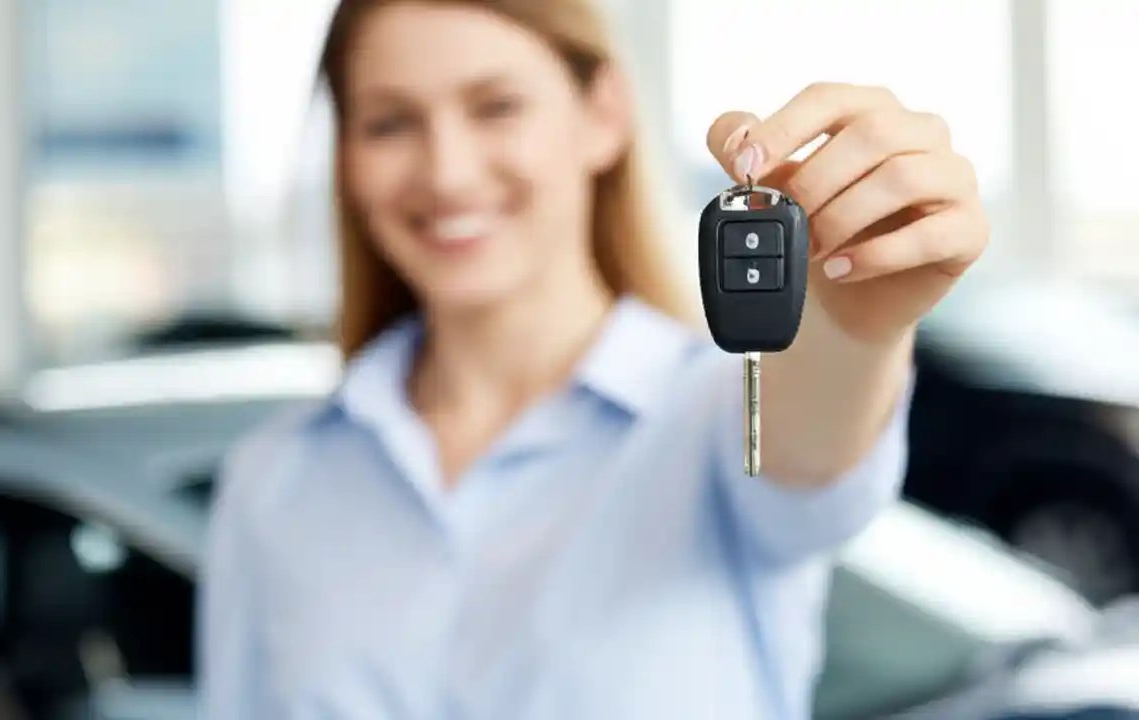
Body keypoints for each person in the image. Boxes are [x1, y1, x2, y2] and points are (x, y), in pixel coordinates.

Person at [198, 1, 989, 718]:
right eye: (388, 123)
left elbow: (812, 462)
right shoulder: (272, 483)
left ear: (602, 114)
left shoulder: (716, 420)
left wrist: (853, 330)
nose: (446, 171)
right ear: (346, 157)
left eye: (496, 107)